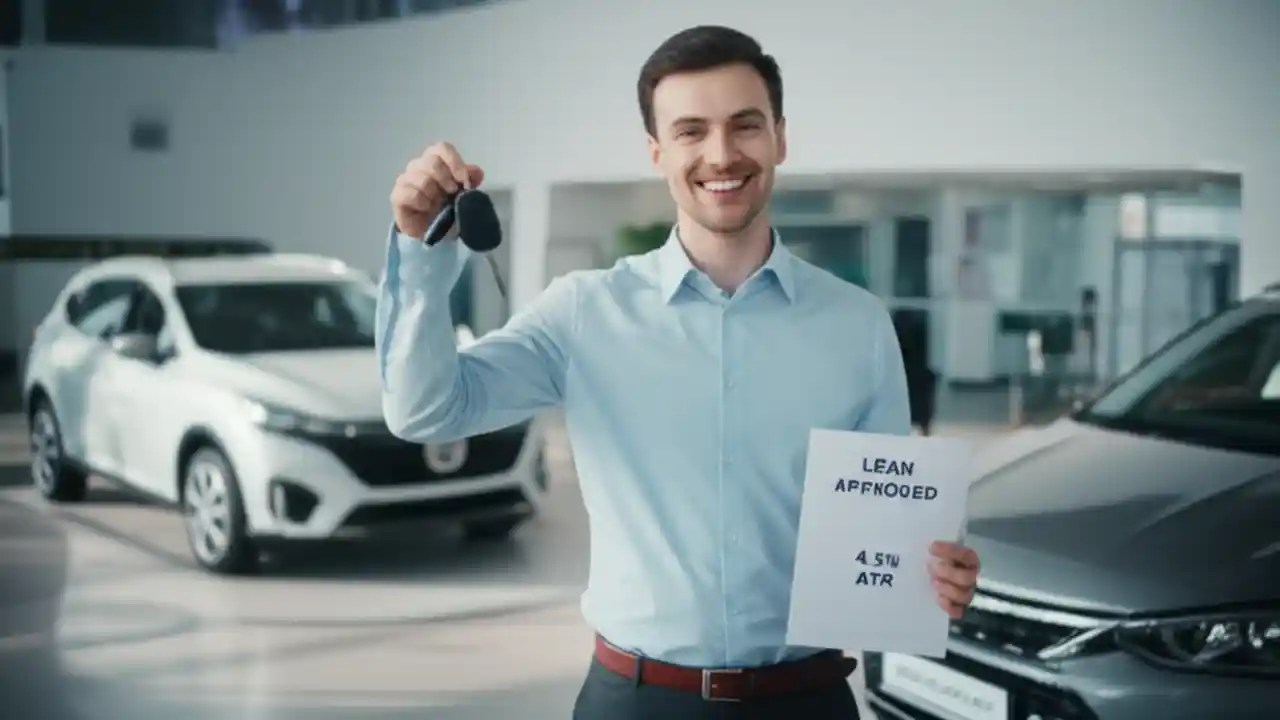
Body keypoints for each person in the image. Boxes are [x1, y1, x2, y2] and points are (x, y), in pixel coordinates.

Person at [377, 25, 981, 719]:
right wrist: (421, 256)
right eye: (691, 131)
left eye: (745, 125)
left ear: (780, 138)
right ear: (657, 152)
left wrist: (936, 570)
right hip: (635, 701)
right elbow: (423, 411)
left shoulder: (858, 324)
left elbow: (889, 520)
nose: (721, 154)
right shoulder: (584, 312)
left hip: (807, 701)